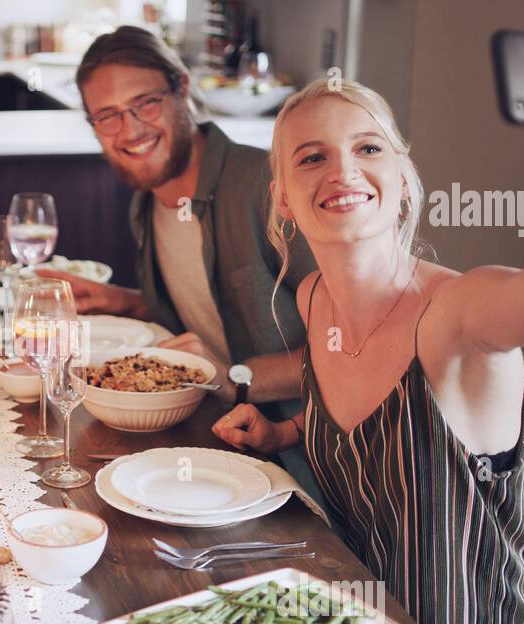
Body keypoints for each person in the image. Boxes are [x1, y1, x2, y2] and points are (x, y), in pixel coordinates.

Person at [211, 29, 524, 624]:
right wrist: (280, 430)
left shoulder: (459, 316)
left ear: (402, 179)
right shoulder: (315, 299)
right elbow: (353, 424)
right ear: (283, 200)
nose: (343, 170)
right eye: (312, 158)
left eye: (367, 147)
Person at [49, 25, 325, 512]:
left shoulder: (267, 189)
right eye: (108, 116)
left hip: (300, 465)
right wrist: (127, 300)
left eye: (145, 103)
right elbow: (203, 315)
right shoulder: (145, 207)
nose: (130, 131)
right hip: (203, 441)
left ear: (181, 87)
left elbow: (354, 350)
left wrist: (235, 378)